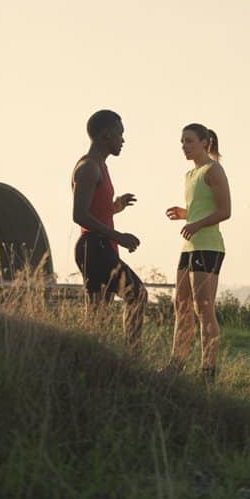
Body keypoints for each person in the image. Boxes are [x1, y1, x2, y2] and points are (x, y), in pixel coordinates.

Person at [72, 109, 147, 354]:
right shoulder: (88, 168)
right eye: (120, 133)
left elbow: (95, 211)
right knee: (137, 295)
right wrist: (119, 237)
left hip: (101, 246)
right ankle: (133, 357)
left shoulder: (101, 166)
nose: (123, 140)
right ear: (106, 135)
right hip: (94, 247)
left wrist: (116, 207)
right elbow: (79, 215)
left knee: (98, 315)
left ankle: (96, 362)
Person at [165, 123, 232, 381]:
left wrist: (196, 223)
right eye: (182, 141)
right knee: (180, 305)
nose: (184, 146)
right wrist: (184, 214)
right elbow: (202, 207)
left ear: (205, 142)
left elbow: (225, 211)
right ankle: (176, 364)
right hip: (189, 245)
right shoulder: (189, 174)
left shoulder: (213, 170)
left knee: (203, 307)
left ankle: (208, 370)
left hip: (209, 245)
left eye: (189, 141)